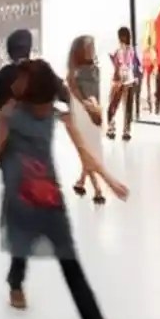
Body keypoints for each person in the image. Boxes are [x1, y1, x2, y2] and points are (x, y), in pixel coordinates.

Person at [0, 58, 127, 319]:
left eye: (21, 80)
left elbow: (84, 150)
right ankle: (15, 283)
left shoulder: (59, 115)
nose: (14, 84)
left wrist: (109, 179)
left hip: (49, 195)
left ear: (35, 86)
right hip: (20, 195)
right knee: (20, 246)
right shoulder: (10, 113)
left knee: (69, 259)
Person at [66, 36, 106, 204]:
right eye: (88, 48)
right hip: (82, 114)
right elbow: (74, 91)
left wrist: (97, 110)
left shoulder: (96, 69)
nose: (92, 51)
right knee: (88, 150)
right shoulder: (76, 72)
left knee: (92, 149)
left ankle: (81, 181)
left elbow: (97, 92)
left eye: (93, 48)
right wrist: (85, 105)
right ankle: (97, 189)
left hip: (94, 112)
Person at [106, 27, 140, 141]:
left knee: (122, 106)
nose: (122, 39)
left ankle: (121, 130)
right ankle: (115, 129)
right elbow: (120, 64)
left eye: (123, 36)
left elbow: (134, 64)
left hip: (125, 81)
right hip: (123, 81)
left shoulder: (129, 50)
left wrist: (134, 77)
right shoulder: (123, 50)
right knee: (116, 105)